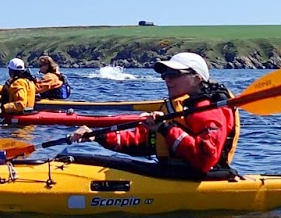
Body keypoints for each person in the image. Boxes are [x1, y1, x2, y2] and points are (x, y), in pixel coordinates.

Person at [68, 52, 238, 176]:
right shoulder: (179, 107)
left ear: (197, 78)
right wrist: (98, 135)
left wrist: (165, 128)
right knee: (74, 159)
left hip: (200, 177)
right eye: (165, 75)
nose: (167, 79)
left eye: (174, 74)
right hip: (173, 173)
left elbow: (205, 160)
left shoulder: (207, 109)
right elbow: (137, 140)